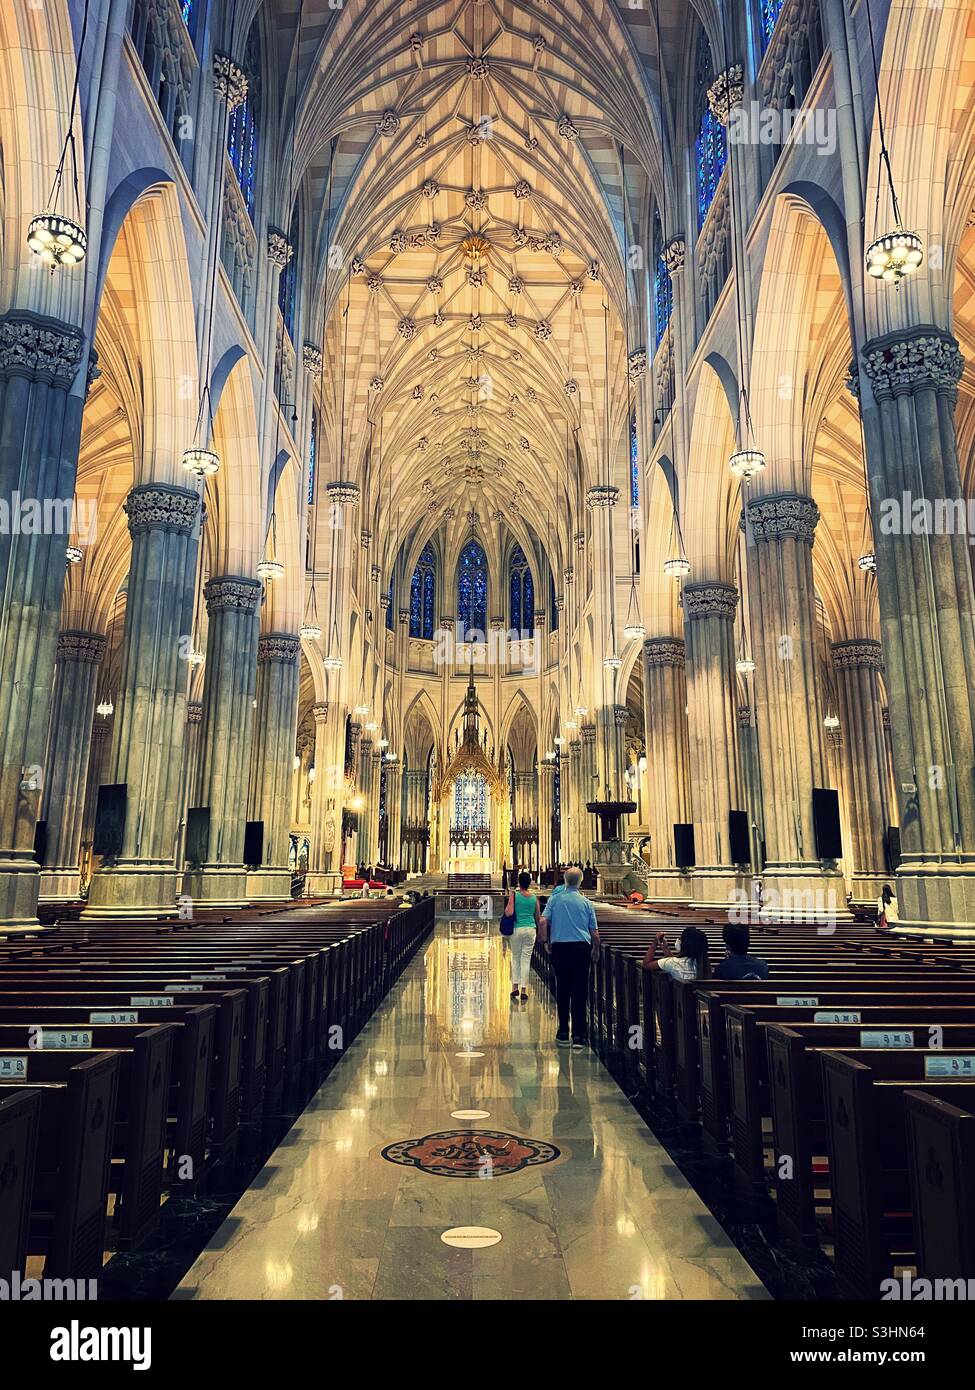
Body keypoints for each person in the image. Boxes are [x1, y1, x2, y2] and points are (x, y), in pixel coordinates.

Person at [540, 866, 599, 1048]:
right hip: (581, 949)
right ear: (580, 882)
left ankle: (563, 1031)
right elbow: (594, 933)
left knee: (563, 989)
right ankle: (579, 1036)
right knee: (580, 991)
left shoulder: (555, 899)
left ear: (564, 881)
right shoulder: (586, 902)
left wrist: (545, 942)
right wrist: (595, 949)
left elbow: (542, 922)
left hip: (560, 948)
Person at [505, 870, 541, 1000]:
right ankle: (524, 990)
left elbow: (508, 913)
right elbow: (538, 916)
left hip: (517, 929)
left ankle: (515, 987)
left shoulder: (514, 895)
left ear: (519, 883)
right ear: (530, 883)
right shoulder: (534, 898)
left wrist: (510, 897)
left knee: (516, 957)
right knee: (526, 959)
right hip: (530, 929)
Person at [642, 926, 710, 981]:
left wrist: (655, 942)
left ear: (685, 943)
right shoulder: (704, 964)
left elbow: (646, 965)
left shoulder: (672, 963)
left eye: (681, 938)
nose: (679, 940)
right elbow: (676, 961)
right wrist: (665, 949)